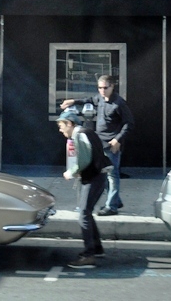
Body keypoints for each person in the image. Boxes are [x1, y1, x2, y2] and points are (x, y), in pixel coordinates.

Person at [60, 74, 134, 216]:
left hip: (112, 144)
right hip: (99, 142)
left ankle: (112, 206)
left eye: (105, 88)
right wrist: (72, 101)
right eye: (100, 87)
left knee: (112, 175)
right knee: (103, 173)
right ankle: (116, 200)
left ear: (112, 86)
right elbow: (89, 100)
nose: (102, 90)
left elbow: (129, 123)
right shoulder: (100, 98)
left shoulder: (119, 104)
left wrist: (118, 139)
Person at [56, 106, 109, 268]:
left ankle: (88, 255)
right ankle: (97, 248)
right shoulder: (85, 132)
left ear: (70, 123)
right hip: (97, 176)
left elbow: (84, 160)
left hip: (94, 177)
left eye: (62, 125)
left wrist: (71, 172)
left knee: (83, 214)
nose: (60, 130)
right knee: (87, 212)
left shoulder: (79, 135)